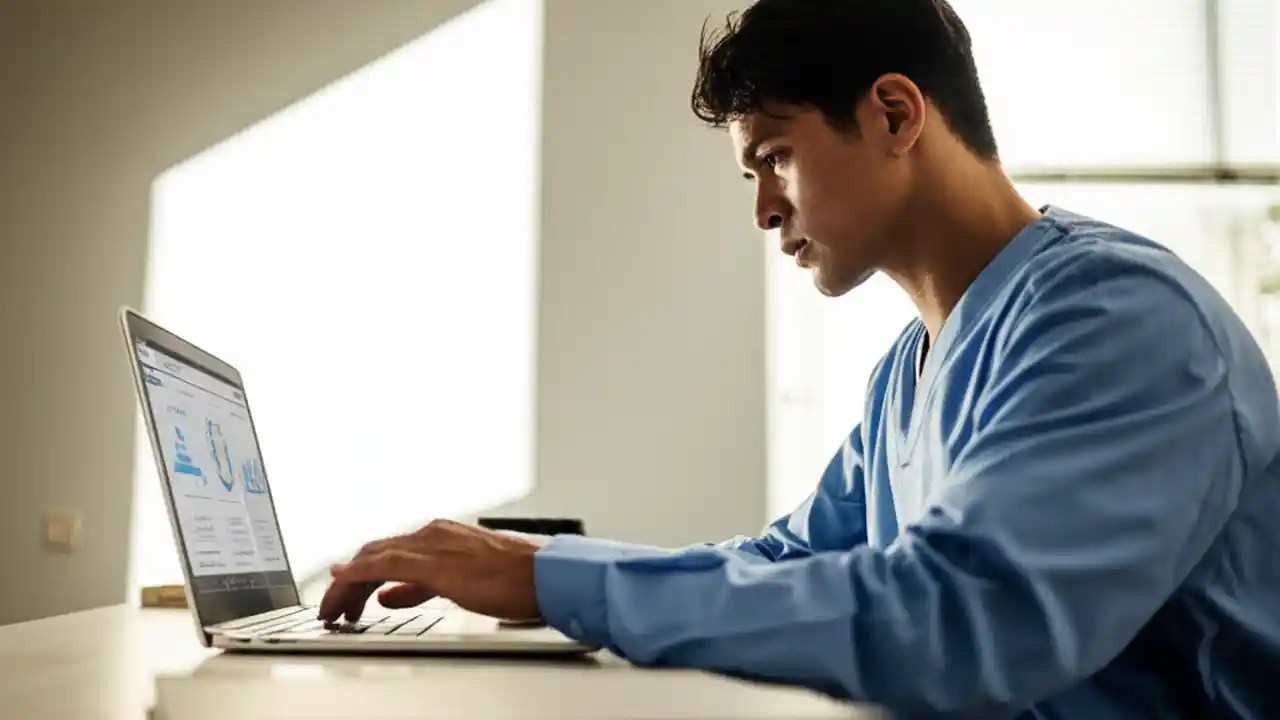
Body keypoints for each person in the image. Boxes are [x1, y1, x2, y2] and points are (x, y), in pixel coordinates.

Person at [319, 1, 1280, 717]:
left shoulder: (1115, 320)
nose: (764, 209)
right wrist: (536, 568)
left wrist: (552, 582)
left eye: (774, 155)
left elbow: (957, 622)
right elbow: (791, 558)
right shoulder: (911, 368)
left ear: (897, 115)